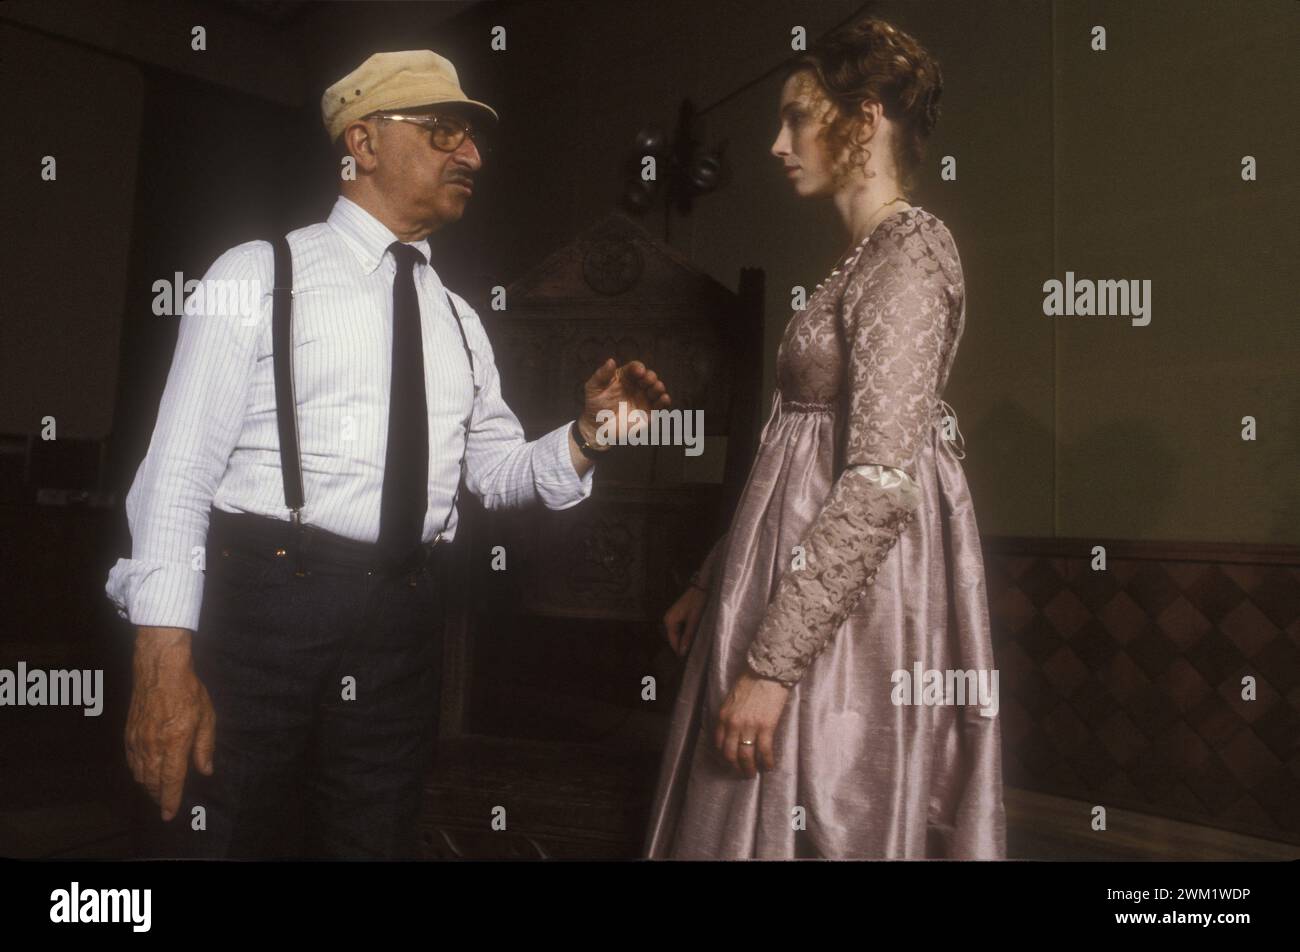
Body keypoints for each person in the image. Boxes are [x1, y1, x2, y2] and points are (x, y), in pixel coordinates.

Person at [105, 49, 671, 859]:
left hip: (403, 632)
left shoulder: (461, 323)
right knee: (211, 836)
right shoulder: (256, 275)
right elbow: (176, 479)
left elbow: (498, 476)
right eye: (444, 131)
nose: (470, 154)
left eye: (473, 138)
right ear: (361, 143)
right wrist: (162, 658)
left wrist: (589, 436)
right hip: (261, 611)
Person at [645, 18, 1005, 859]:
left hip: (848, 616)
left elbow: (880, 483)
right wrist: (714, 574)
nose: (777, 144)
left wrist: (773, 667)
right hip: (788, 576)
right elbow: (795, 451)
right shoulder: (859, 256)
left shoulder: (910, 253)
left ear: (865, 118)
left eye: (797, 118)